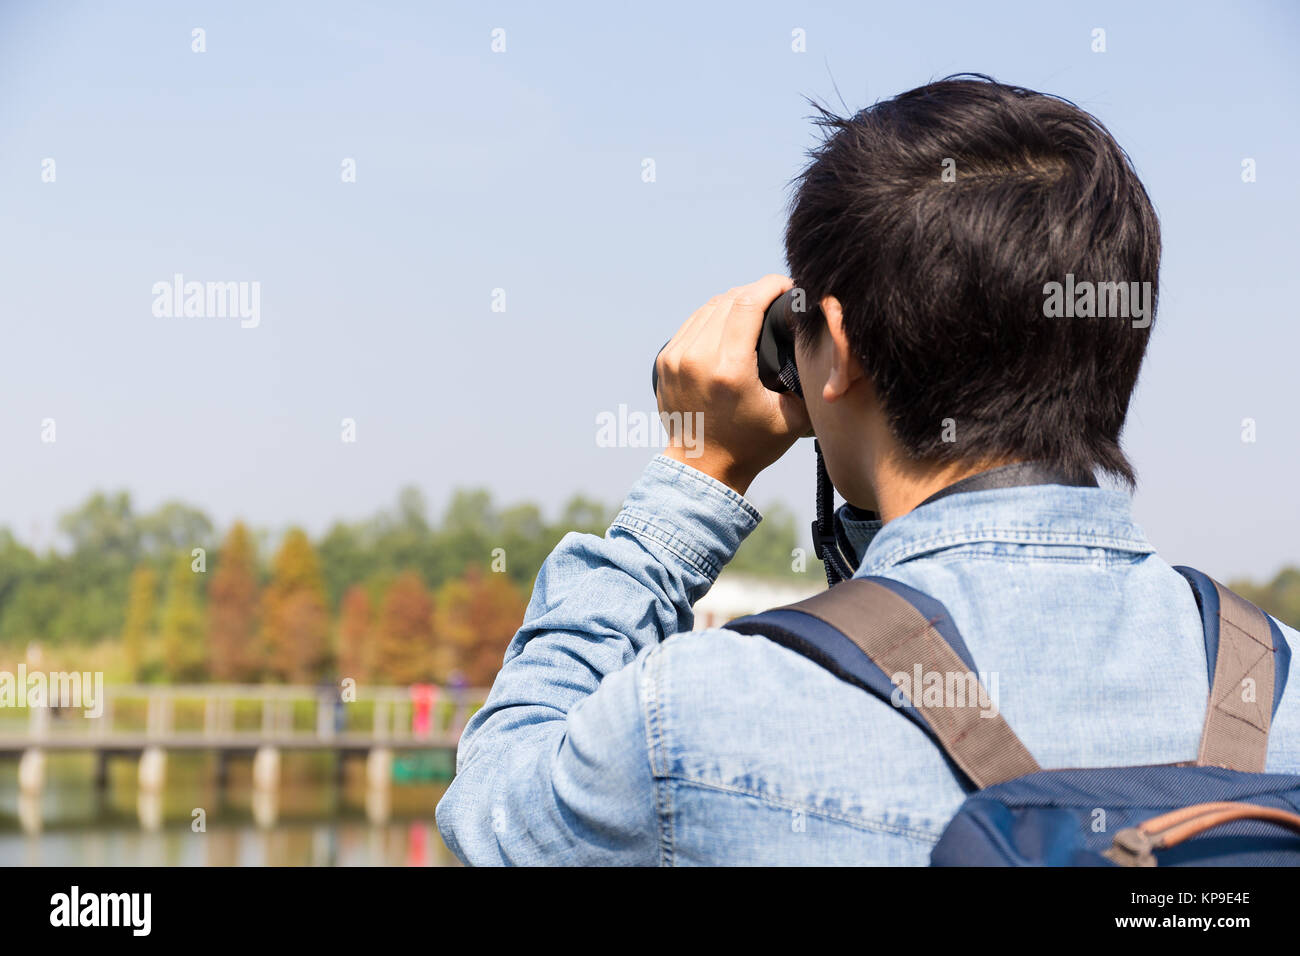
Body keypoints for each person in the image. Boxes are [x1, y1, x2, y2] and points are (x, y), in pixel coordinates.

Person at [434, 75, 1300, 865]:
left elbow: (492, 815)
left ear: (835, 347)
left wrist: (695, 474)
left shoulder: (701, 720)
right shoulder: (1280, 684)